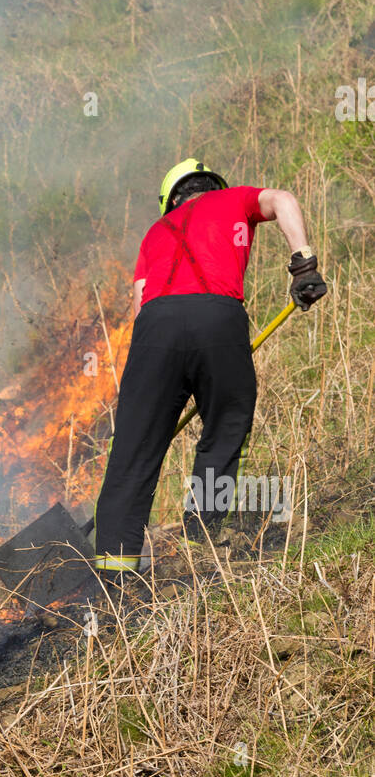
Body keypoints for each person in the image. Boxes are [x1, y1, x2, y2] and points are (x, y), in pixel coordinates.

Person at [93, 158, 327, 592]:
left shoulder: (155, 232)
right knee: (225, 426)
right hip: (219, 321)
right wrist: (304, 265)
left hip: (154, 331)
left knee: (133, 450)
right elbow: (283, 200)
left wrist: (153, 389)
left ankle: (113, 583)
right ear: (211, 186)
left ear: (171, 199)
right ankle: (199, 540)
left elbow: (141, 300)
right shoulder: (234, 199)